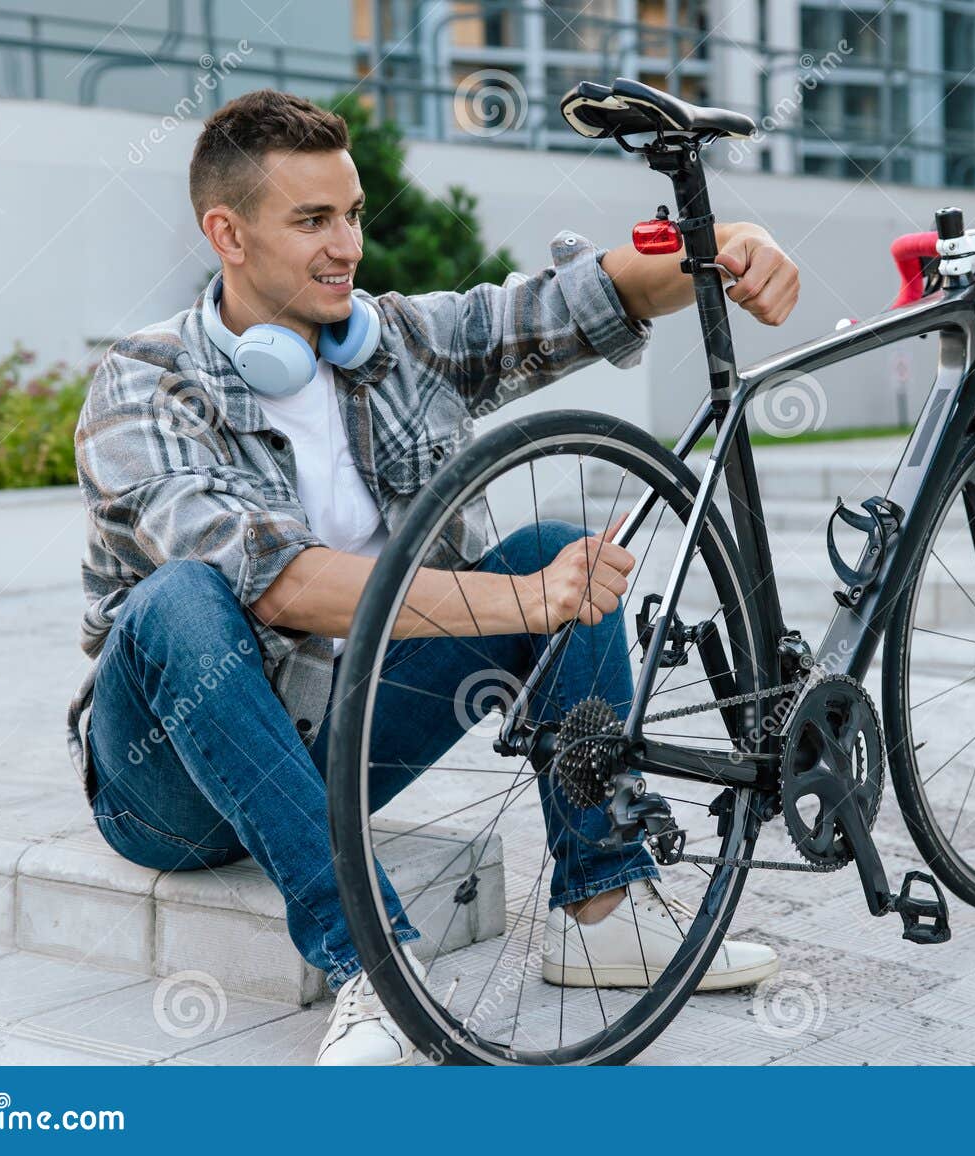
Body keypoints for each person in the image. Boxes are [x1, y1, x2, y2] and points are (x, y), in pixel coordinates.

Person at [67, 89, 801, 1065]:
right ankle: (369, 962)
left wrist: (721, 244)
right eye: (313, 221)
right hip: (165, 786)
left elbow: (567, 307)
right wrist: (523, 603)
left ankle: (609, 900)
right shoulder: (144, 384)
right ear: (227, 234)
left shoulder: (391, 347)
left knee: (551, 546)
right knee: (182, 601)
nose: (347, 246)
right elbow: (275, 581)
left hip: (335, 747)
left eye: (354, 214)